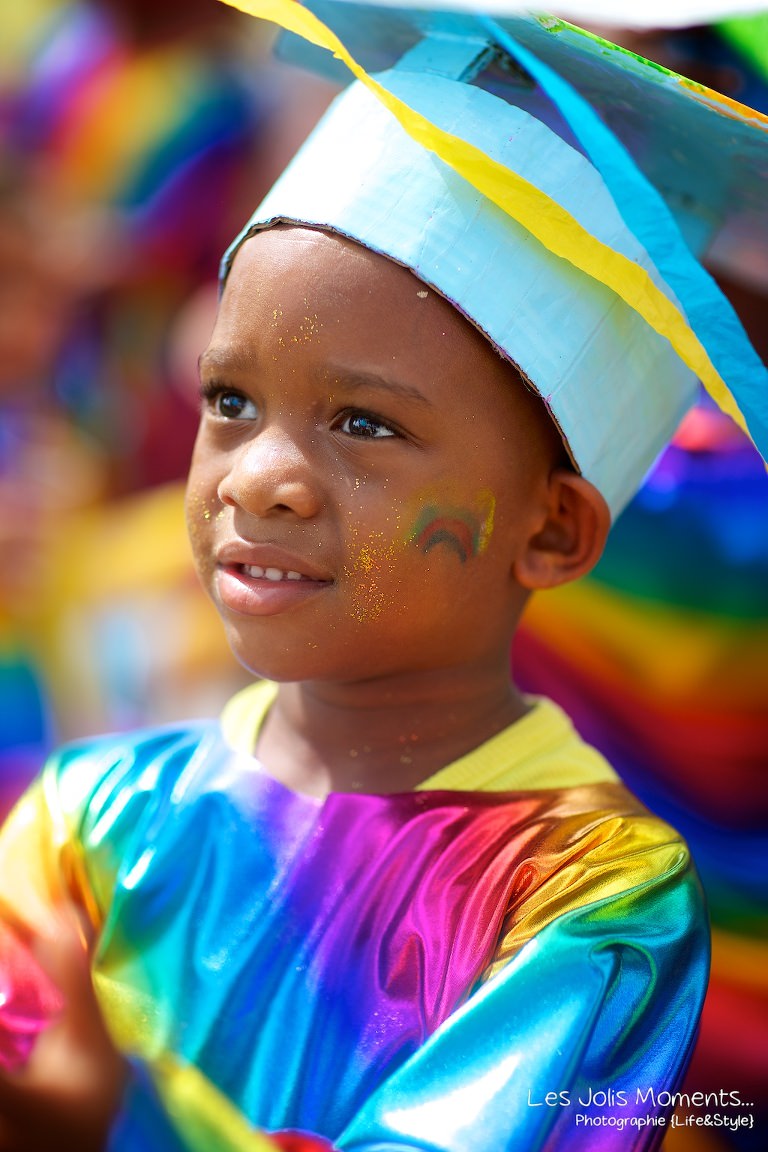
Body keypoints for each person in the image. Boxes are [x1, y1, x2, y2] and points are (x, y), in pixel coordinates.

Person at [1, 3, 766, 1149]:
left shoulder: (594, 907)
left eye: (361, 422)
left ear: (554, 530)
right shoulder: (98, 814)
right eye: (230, 402)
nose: (261, 478)